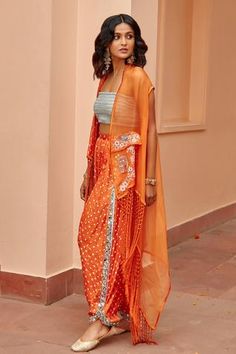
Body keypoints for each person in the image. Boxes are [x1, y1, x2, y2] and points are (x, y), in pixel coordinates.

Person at [71, 13, 171, 352]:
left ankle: (102, 318)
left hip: (126, 170)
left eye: (129, 36)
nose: (124, 42)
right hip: (102, 164)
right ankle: (114, 310)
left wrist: (150, 179)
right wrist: (89, 169)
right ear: (107, 42)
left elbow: (151, 128)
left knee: (108, 239)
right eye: (117, 36)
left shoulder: (138, 77)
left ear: (135, 42)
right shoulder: (106, 77)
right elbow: (95, 127)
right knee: (93, 234)